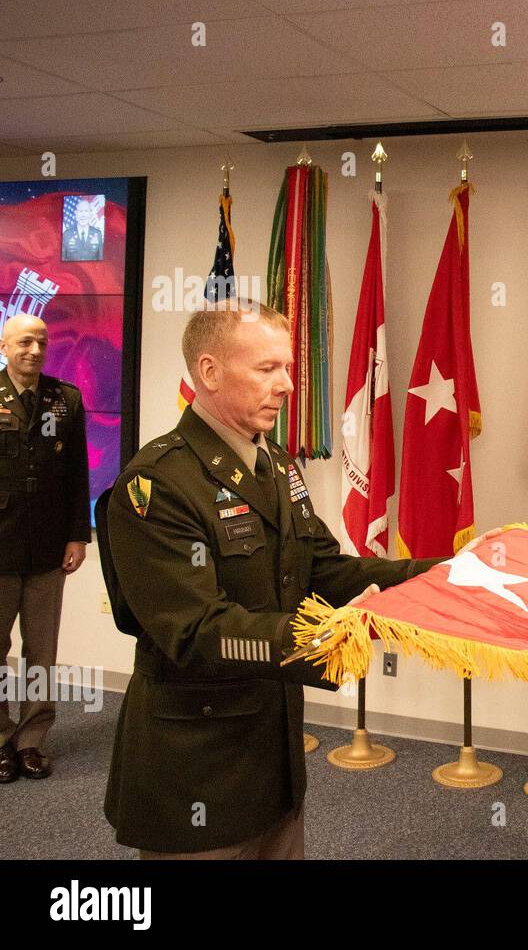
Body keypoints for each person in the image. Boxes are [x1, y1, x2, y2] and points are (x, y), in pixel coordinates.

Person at [102, 299, 439, 858]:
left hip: (273, 757)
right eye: (267, 369)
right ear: (209, 372)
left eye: (287, 368)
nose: (286, 385)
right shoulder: (159, 483)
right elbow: (197, 631)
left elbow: (325, 569)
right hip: (197, 766)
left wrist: (440, 575)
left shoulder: (277, 465)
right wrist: (329, 638)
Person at [0, 314, 90, 783]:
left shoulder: (64, 399)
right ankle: (0, 739)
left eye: (41, 341)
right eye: (24, 342)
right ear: (5, 345)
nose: (33, 350)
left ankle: (32, 740)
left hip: (47, 547)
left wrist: (79, 534)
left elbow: (78, 475)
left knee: (41, 651)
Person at [62, 198, 103, 262]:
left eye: (86, 211)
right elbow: (63, 259)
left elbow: (100, 259)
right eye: (81, 211)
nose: (83, 215)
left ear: (90, 213)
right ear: (76, 213)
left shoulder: (98, 234)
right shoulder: (67, 234)